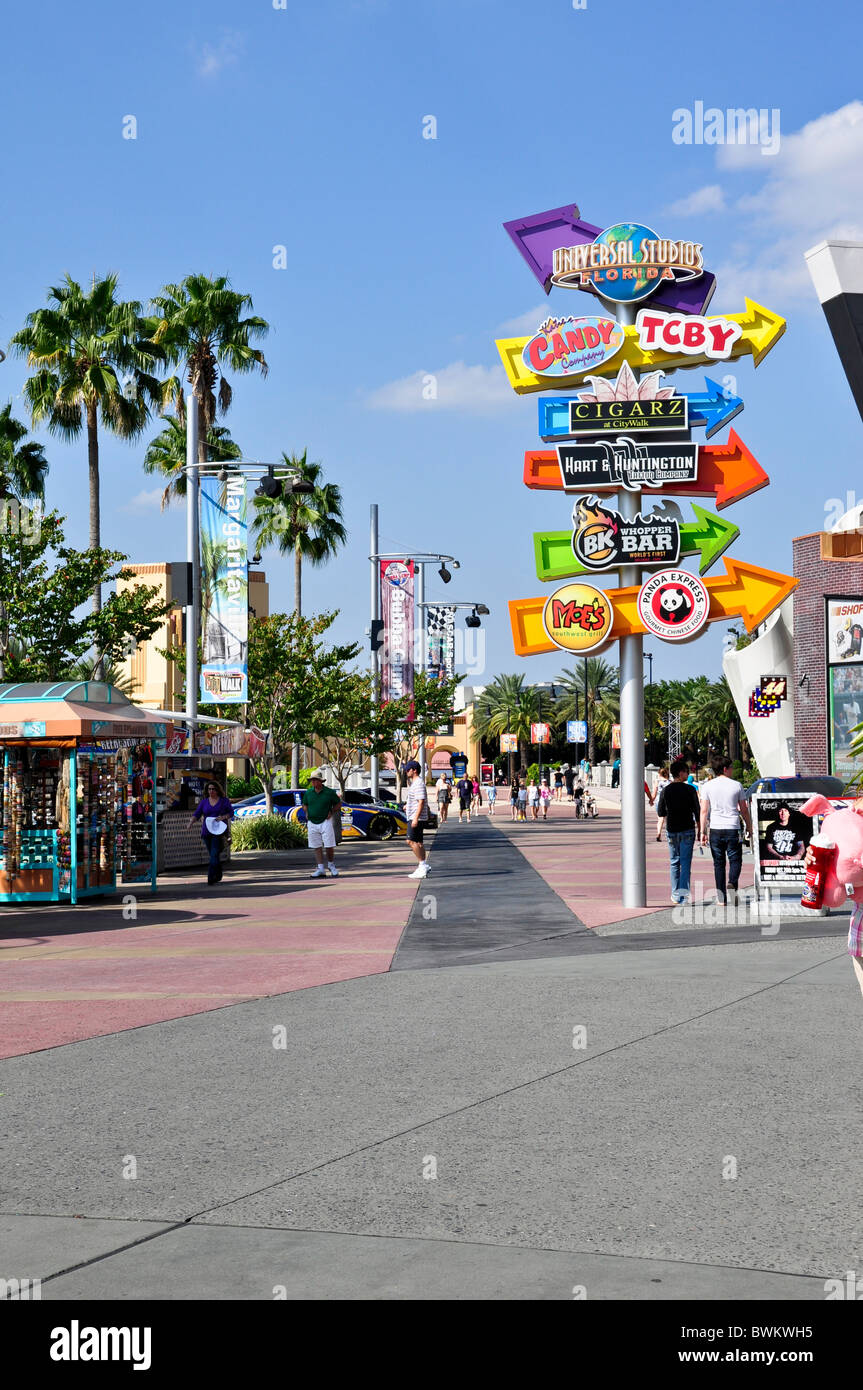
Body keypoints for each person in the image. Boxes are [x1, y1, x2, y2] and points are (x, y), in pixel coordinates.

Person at [699, 755, 752, 906]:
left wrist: (703, 831)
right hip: (732, 828)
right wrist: (749, 826)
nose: (732, 770)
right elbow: (744, 810)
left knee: (718, 863)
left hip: (715, 828)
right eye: (731, 768)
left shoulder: (707, 786)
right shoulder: (737, 785)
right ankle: (732, 882)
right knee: (736, 860)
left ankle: (721, 898)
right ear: (724, 769)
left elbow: (703, 811)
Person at [656, 759, 701, 905]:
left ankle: (675, 894)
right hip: (687, 829)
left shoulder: (666, 790)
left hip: (672, 830)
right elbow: (697, 810)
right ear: (681, 773)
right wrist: (700, 829)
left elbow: (661, 811)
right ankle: (683, 896)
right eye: (686, 772)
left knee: (674, 862)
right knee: (685, 863)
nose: (687, 775)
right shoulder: (690, 790)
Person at [190, 779, 234, 885]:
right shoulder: (204, 802)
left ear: (217, 790)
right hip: (206, 831)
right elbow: (197, 813)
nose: (211, 791)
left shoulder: (224, 801)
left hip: (219, 831)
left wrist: (223, 817)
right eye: (209, 789)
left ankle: (211, 877)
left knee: (214, 854)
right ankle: (218, 873)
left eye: (213, 789)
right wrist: (190, 823)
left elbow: (231, 812)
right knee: (213, 855)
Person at [304, 769, 341, 879]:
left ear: (321, 781)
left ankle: (331, 865)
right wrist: (306, 812)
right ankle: (320, 868)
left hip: (326, 821)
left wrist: (332, 811)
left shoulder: (329, 792)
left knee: (329, 845)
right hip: (312, 822)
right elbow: (304, 804)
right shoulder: (308, 793)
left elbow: (338, 804)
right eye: (312, 780)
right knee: (316, 846)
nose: (313, 782)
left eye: (315, 780)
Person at [403, 760, 430, 878]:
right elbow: (416, 800)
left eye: (408, 769)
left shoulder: (418, 783)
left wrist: (415, 818)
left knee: (410, 841)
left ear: (414, 770)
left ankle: (422, 865)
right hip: (415, 816)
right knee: (418, 842)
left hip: (416, 818)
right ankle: (423, 866)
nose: (406, 771)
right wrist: (407, 806)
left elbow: (421, 802)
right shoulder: (415, 783)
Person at [655, 766, 671, 841]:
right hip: (667, 802)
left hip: (658, 801)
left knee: (660, 818)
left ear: (660, 774)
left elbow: (654, 793)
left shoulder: (657, 781)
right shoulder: (670, 782)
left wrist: (651, 800)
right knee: (668, 819)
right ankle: (669, 835)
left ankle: (658, 833)